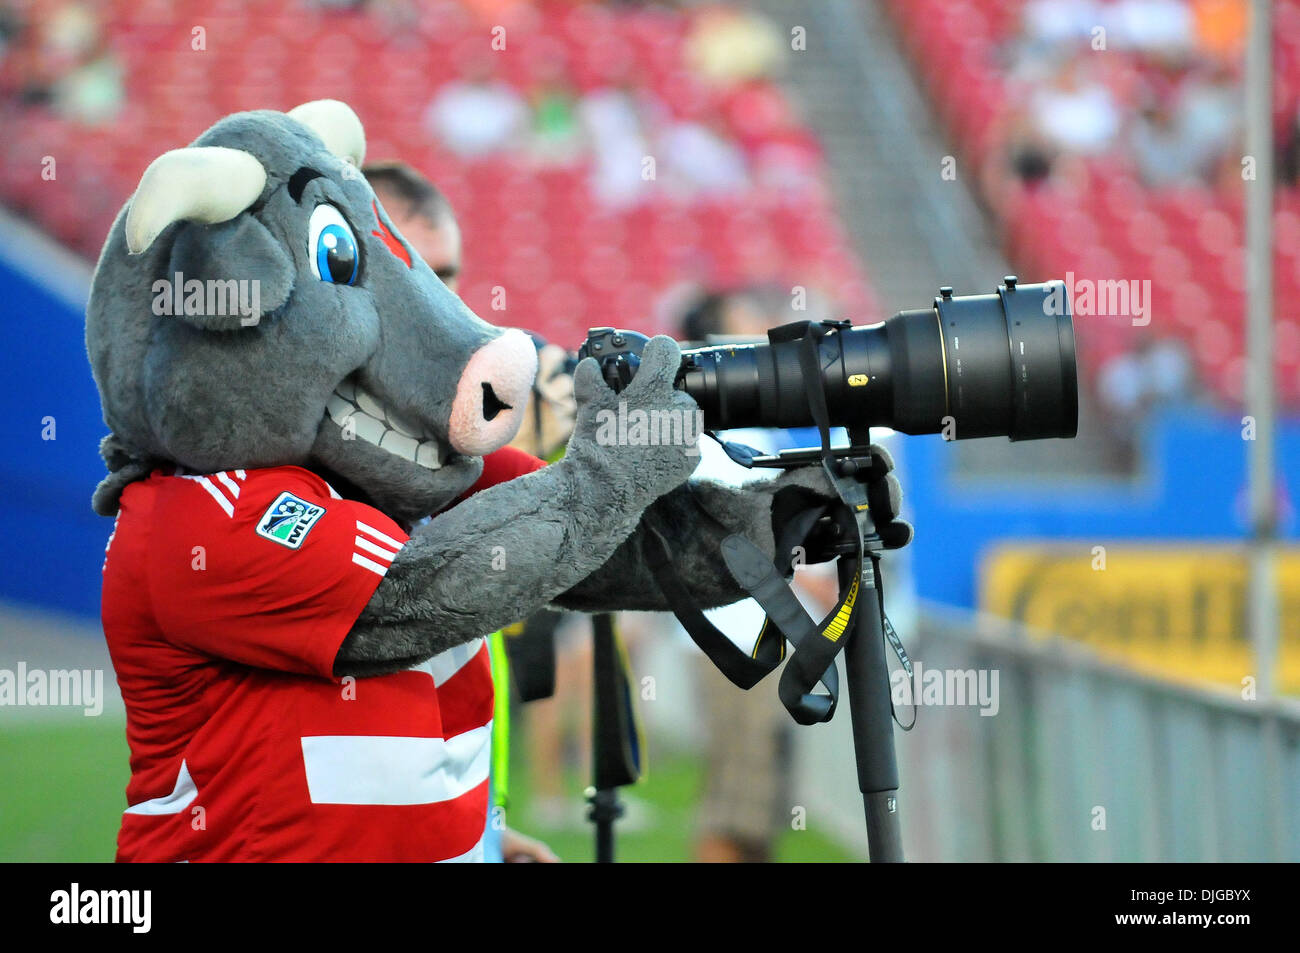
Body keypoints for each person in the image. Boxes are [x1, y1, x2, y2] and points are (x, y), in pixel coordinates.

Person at [362, 159, 559, 863]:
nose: (444, 304)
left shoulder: (444, 440)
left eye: (451, 278)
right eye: (419, 271)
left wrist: (487, 836)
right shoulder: (311, 461)